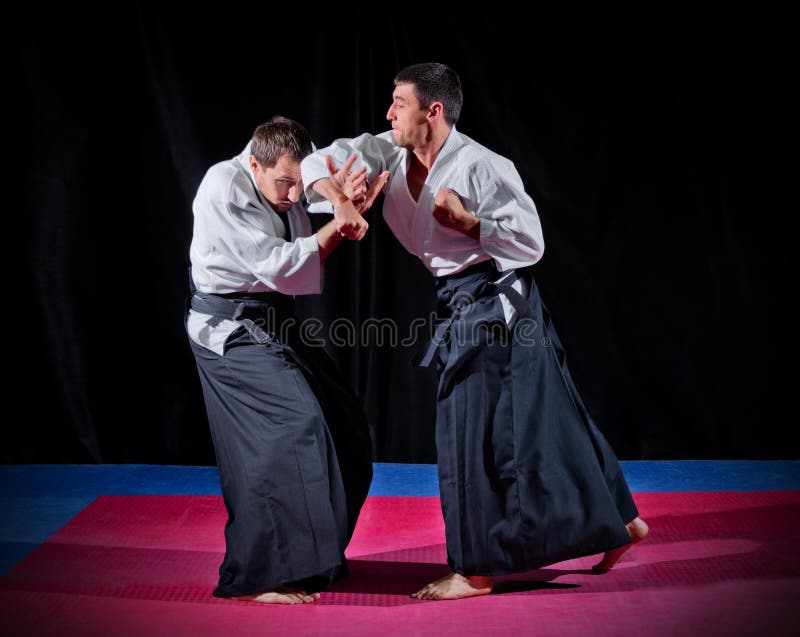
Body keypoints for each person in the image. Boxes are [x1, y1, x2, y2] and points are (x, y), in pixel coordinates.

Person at [301, 63, 649, 601]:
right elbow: (315, 162)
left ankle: (476, 569)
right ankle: (623, 522)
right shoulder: (387, 151)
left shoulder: (482, 166)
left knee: (467, 429)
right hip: (459, 297)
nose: (388, 113)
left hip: (496, 300)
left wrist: (469, 224)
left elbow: (530, 243)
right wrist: (341, 198)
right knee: (552, 419)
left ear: (433, 110)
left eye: (399, 103)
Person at [186, 116, 387, 604]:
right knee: (292, 426)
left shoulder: (288, 180)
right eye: (284, 183)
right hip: (228, 330)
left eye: (299, 181)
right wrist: (339, 224)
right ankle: (257, 574)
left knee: (345, 425)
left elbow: (319, 188)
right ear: (254, 164)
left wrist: (344, 200)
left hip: (274, 322)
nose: (294, 195)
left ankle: (314, 561)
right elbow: (278, 265)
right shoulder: (222, 186)